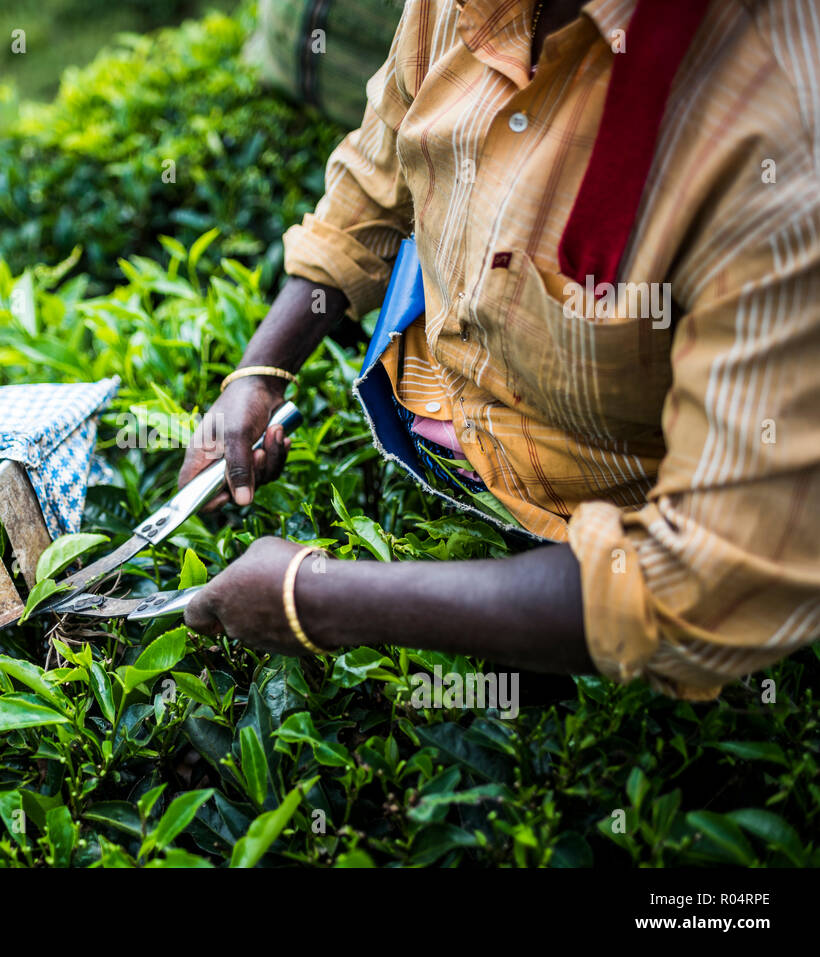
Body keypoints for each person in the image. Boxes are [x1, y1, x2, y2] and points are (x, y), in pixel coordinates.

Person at [180, 0, 820, 701]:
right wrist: (259, 373)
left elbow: (711, 581)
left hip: (596, 545)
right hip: (444, 448)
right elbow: (373, 182)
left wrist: (321, 599)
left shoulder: (778, 125)